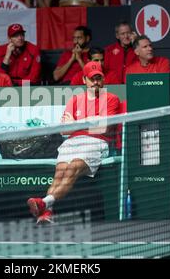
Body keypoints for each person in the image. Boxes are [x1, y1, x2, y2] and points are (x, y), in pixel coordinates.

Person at [27, 61, 121, 224]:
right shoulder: (75, 100)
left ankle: (44, 203)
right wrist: (91, 121)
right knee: (60, 173)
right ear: (84, 80)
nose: (96, 82)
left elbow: (103, 128)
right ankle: (47, 212)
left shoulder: (111, 99)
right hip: (72, 142)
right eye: (92, 79)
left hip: (96, 142)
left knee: (73, 167)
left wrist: (77, 122)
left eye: (99, 78)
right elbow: (64, 130)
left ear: (103, 79)